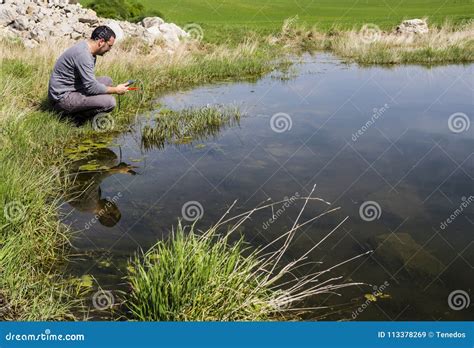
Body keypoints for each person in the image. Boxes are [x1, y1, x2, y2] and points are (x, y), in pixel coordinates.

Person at [48, 25, 129, 119]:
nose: (109, 50)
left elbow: (89, 84)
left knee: (108, 81)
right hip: (61, 98)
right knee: (110, 102)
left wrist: (110, 89)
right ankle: (74, 117)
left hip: (73, 87)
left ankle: (80, 110)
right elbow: (91, 87)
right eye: (109, 46)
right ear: (101, 42)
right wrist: (116, 90)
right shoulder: (84, 55)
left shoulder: (88, 49)